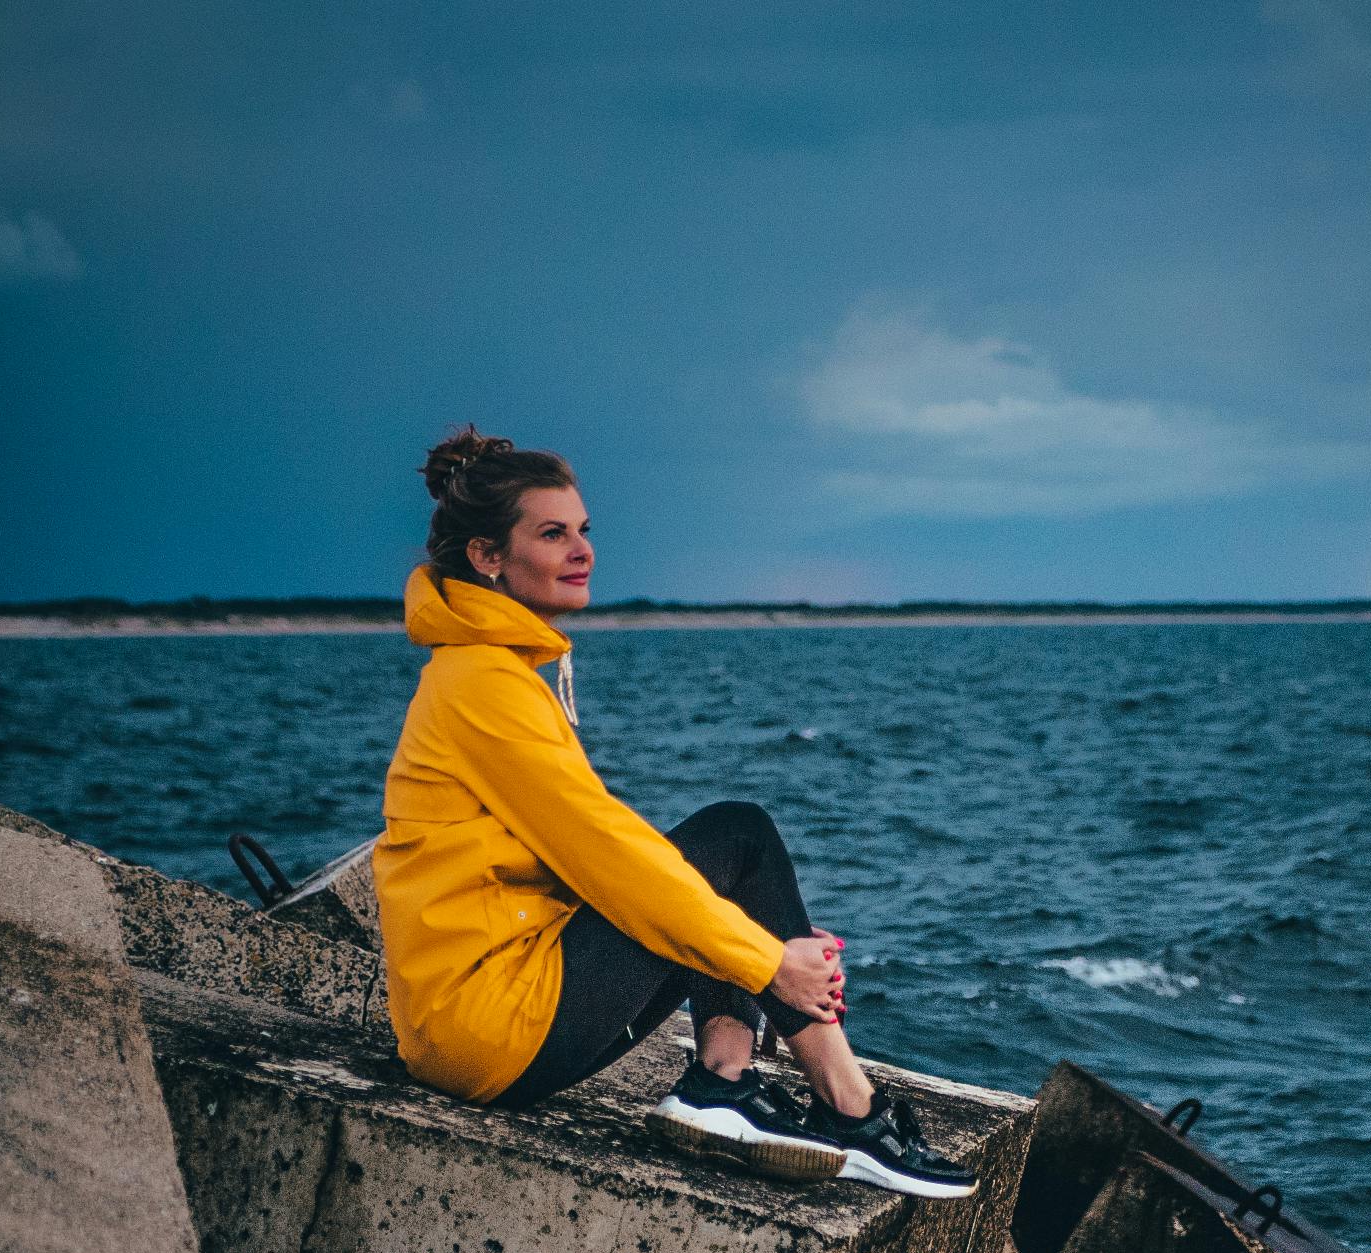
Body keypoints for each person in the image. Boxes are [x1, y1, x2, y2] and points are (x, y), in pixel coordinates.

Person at [372, 426, 976, 1200]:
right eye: (552, 534)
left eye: (584, 530)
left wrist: (761, 944)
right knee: (735, 841)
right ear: (488, 556)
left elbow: (593, 855)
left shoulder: (499, 668)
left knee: (729, 850)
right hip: (488, 1027)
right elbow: (608, 854)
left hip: (488, 1007)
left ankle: (725, 1081)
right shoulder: (482, 684)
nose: (581, 549)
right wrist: (768, 963)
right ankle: (845, 1107)